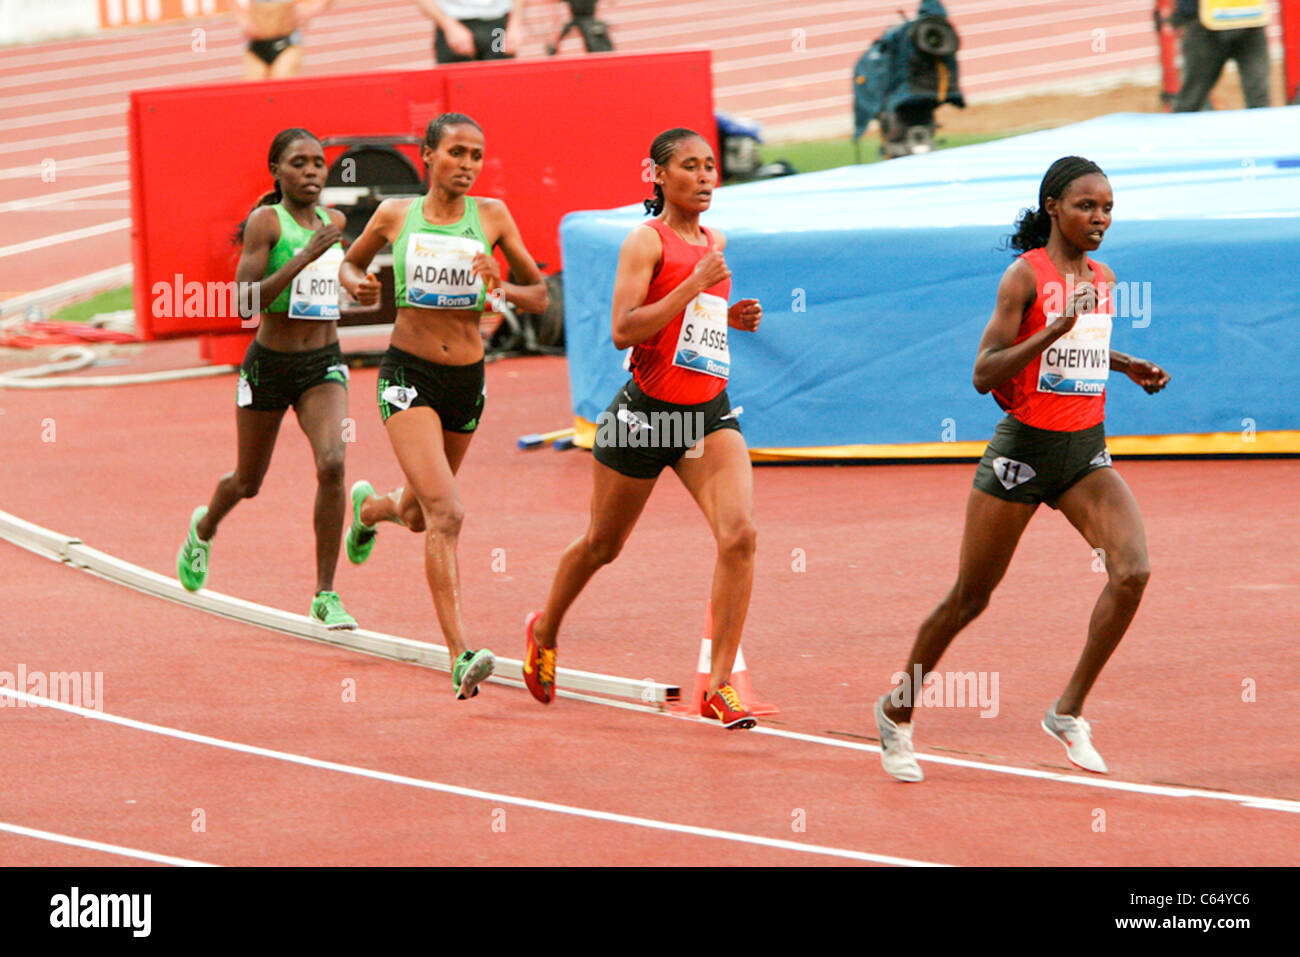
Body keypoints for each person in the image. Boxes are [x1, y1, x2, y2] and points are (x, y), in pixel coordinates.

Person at [874, 156, 1171, 782]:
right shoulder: (1024, 277)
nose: (1100, 219)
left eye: (1108, 208)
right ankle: (896, 712)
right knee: (970, 598)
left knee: (1133, 571)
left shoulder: (1105, 277)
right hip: (1022, 455)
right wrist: (1052, 330)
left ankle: (1068, 712)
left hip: (1084, 454)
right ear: (1054, 208)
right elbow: (984, 374)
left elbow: (1079, 345)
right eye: (1087, 206)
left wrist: (1125, 364)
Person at [521, 128, 765, 729]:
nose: (706, 176)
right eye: (690, 166)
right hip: (645, 418)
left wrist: (726, 314)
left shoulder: (715, 240)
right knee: (603, 545)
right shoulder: (644, 242)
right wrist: (694, 286)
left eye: (710, 166)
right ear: (657, 176)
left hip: (707, 411)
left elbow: (690, 322)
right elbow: (625, 330)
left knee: (740, 536)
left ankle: (721, 683)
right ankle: (545, 627)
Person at [339, 113, 547, 700]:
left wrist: (498, 288)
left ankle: (370, 510)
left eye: (477, 155)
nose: (468, 164)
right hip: (407, 377)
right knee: (447, 513)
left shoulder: (495, 217)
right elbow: (352, 262)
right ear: (428, 156)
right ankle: (460, 656)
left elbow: (539, 294)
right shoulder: (395, 216)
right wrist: (356, 282)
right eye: (456, 152)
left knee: (415, 514)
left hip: (466, 381)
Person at [178, 128, 358, 630]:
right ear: (276, 171)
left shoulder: (335, 221)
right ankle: (205, 527)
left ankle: (326, 593)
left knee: (333, 463)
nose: (311, 172)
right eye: (298, 163)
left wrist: (354, 285)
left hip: (322, 364)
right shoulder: (266, 223)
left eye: (318, 163)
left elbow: (338, 275)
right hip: (269, 367)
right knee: (248, 481)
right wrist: (305, 256)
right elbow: (244, 302)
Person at [1171, 0, 1271, 112]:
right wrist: (1185, 14)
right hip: (1206, 24)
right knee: (1191, 99)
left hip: (1250, 22)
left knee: (1259, 99)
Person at [233, 0, 336, 80]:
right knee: (253, 97)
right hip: (255, 46)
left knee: (281, 93)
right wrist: (241, 18)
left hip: (286, 44)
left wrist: (312, 10)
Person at [412, 0, 523, 64]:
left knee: (500, 84)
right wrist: (449, 26)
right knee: (458, 90)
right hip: (456, 25)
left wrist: (515, 23)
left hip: (497, 28)